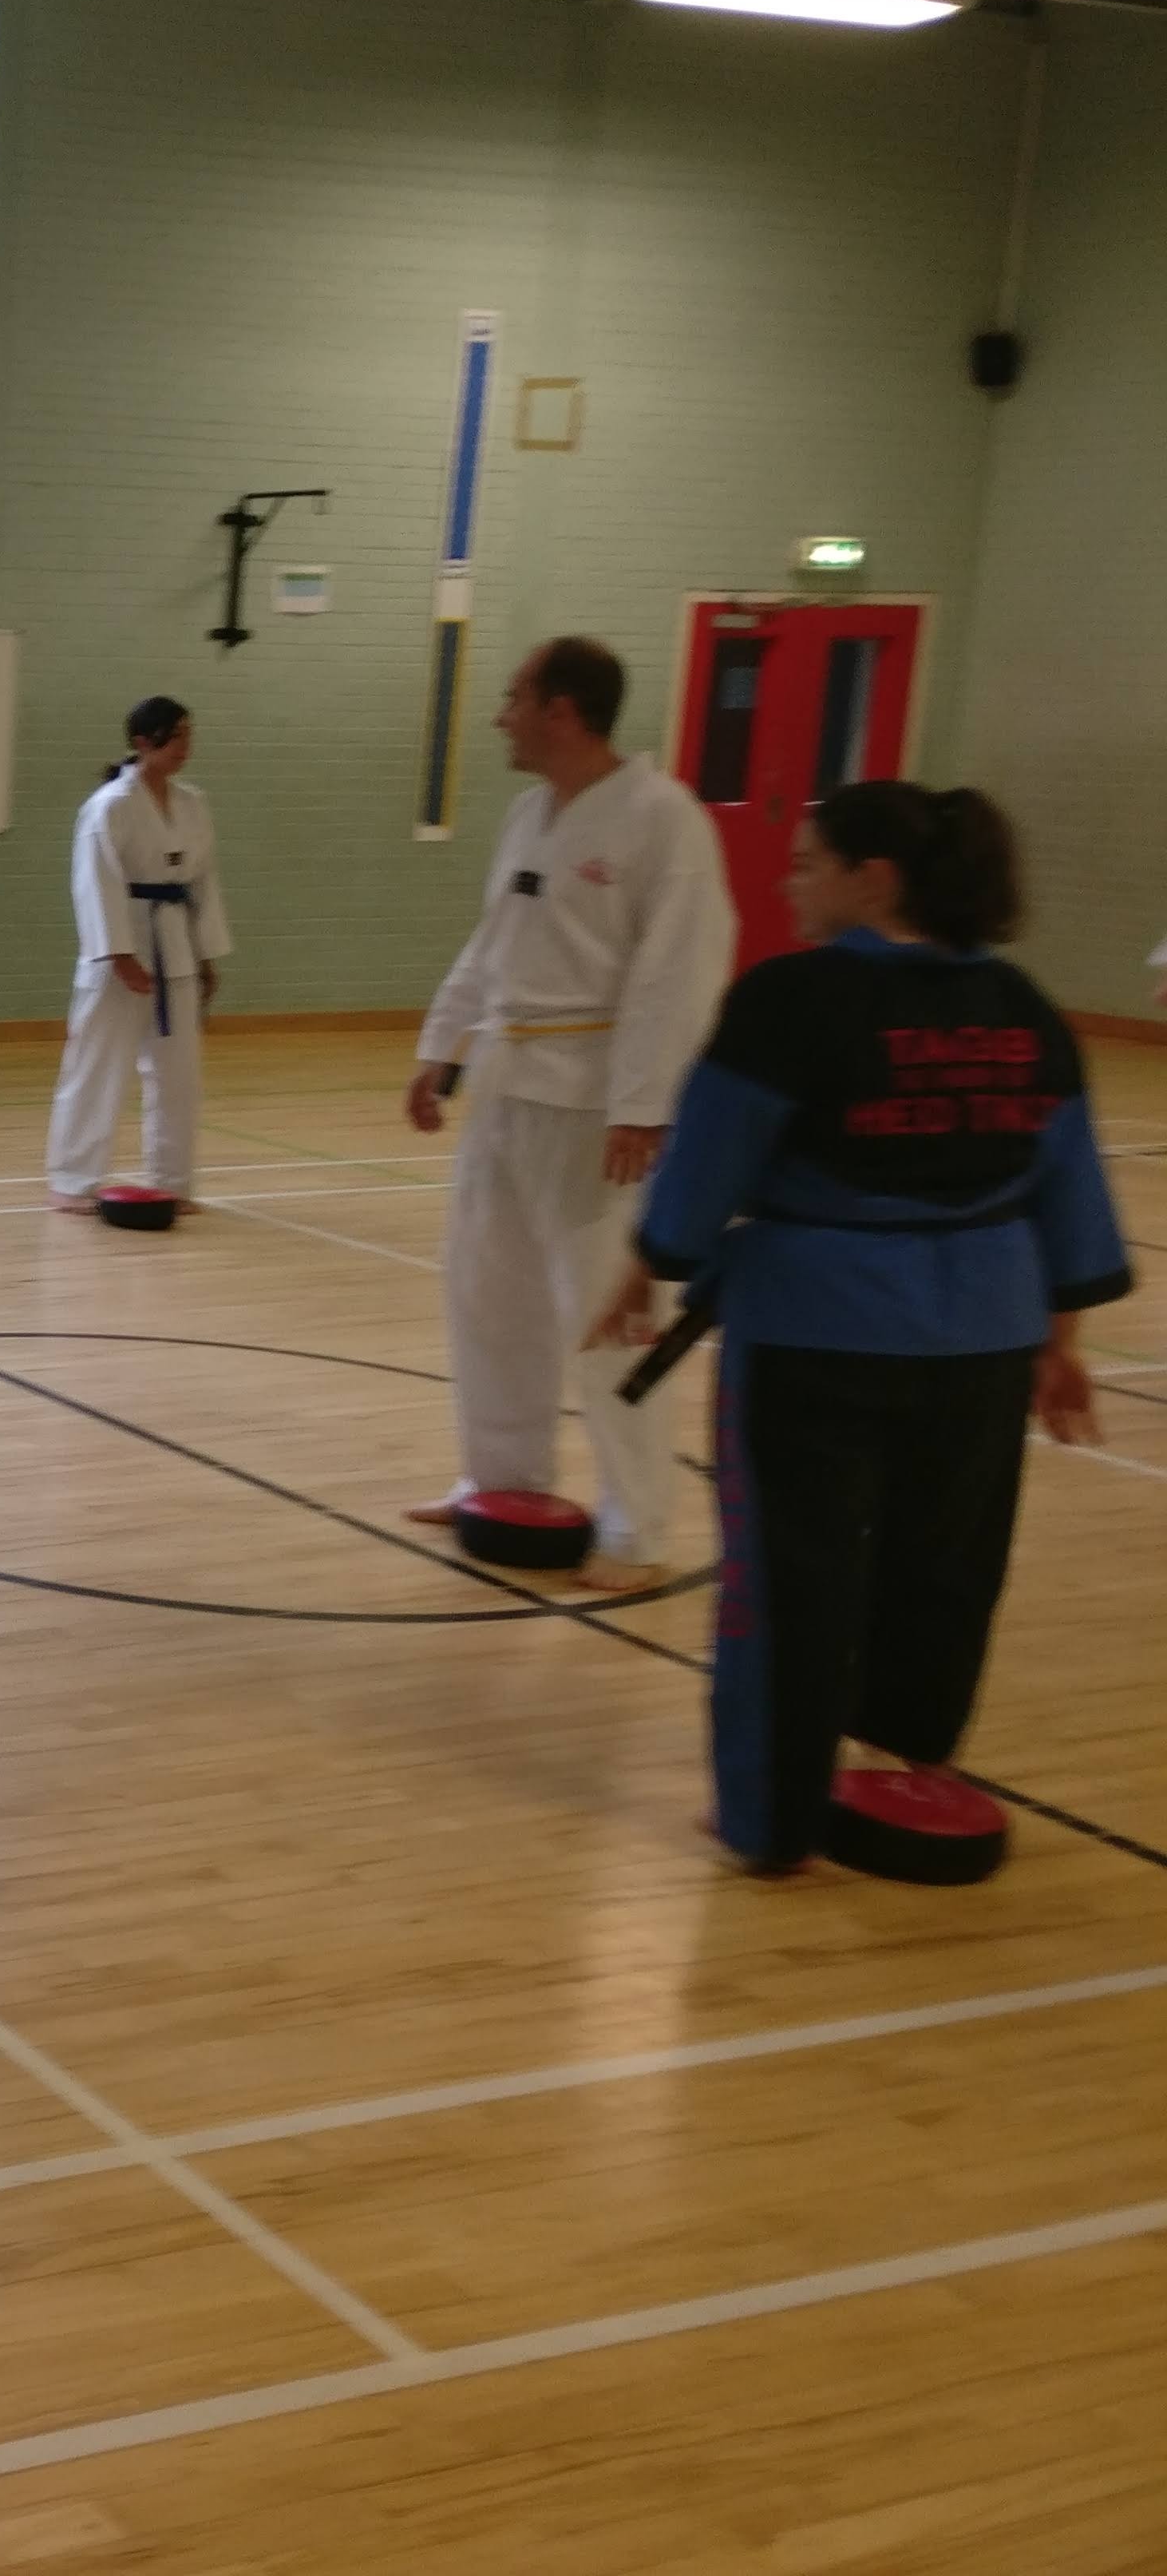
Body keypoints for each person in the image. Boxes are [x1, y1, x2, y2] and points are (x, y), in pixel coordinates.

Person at [590, 784, 1130, 1876]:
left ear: (872, 879)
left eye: (807, 863)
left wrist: (654, 1261)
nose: (788, 881)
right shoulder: (1021, 1005)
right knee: (945, 1565)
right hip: (984, 1338)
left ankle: (767, 1819)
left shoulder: (789, 999)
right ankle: (908, 1764)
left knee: (791, 1579)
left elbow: (707, 1161)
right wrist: (1061, 1343)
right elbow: (1069, 1190)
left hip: (815, 1331)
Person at [402, 637, 732, 1591]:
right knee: (487, 1292)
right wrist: (441, 1047)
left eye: (513, 698)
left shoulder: (662, 818)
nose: (498, 716)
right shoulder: (527, 814)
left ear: (561, 710)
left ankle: (637, 1530)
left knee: (604, 1316)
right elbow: (492, 943)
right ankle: (498, 1477)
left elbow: (679, 971)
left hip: (594, 1109)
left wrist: (643, 1103)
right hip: (508, 1083)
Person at [44, 697, 231, 1215]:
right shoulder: (110, 806)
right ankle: (72, 1180)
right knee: (97, 1066)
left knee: (179, 1074)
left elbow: (203, 883)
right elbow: (95, 883)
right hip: (119, 953)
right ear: (143, 742)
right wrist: (119, 954)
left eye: (189, 735)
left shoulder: (193, 803)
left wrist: (206, 955)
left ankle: (173, 1181)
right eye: (176, 736)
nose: (186, 746)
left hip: (176, 947)